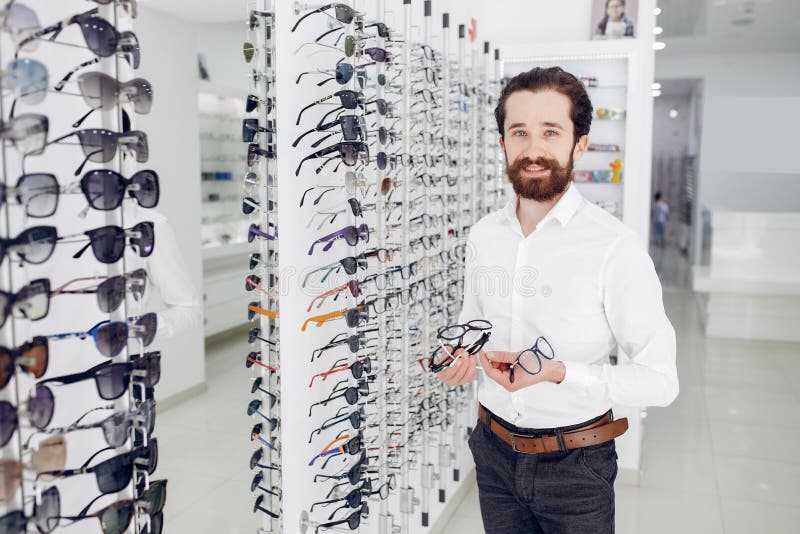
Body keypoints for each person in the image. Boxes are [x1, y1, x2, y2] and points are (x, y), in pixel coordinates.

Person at [436, 67, 678, 533]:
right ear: (503, 143)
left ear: (579, 145)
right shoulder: (484, 235)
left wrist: (560, 373)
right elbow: (472, 325)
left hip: (576, 467)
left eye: (550, 132)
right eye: (519, 132)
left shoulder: (614, 246)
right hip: (492, 450)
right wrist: (459, 360)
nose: (533, 149)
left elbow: (661, 381)